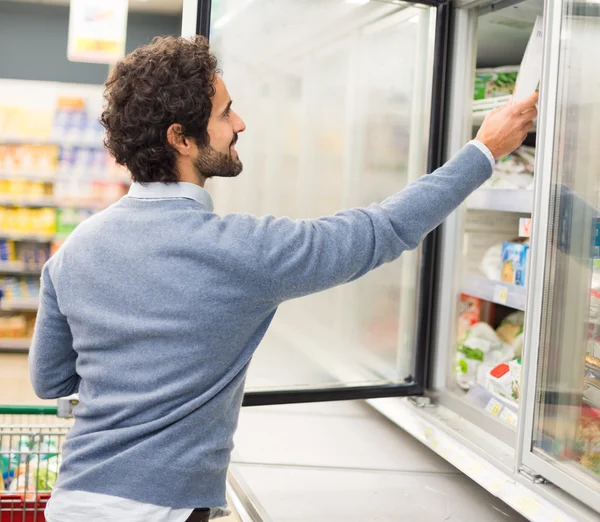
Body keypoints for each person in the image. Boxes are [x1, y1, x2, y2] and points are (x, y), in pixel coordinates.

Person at [30, 35, 538, 522]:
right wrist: (484, 151)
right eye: (225, 113)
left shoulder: (73, 252)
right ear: (179, 138)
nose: (240, 123)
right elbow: (383, 230)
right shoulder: (241, 252)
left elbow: (50, 379)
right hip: (161, 509)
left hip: (73, 500)